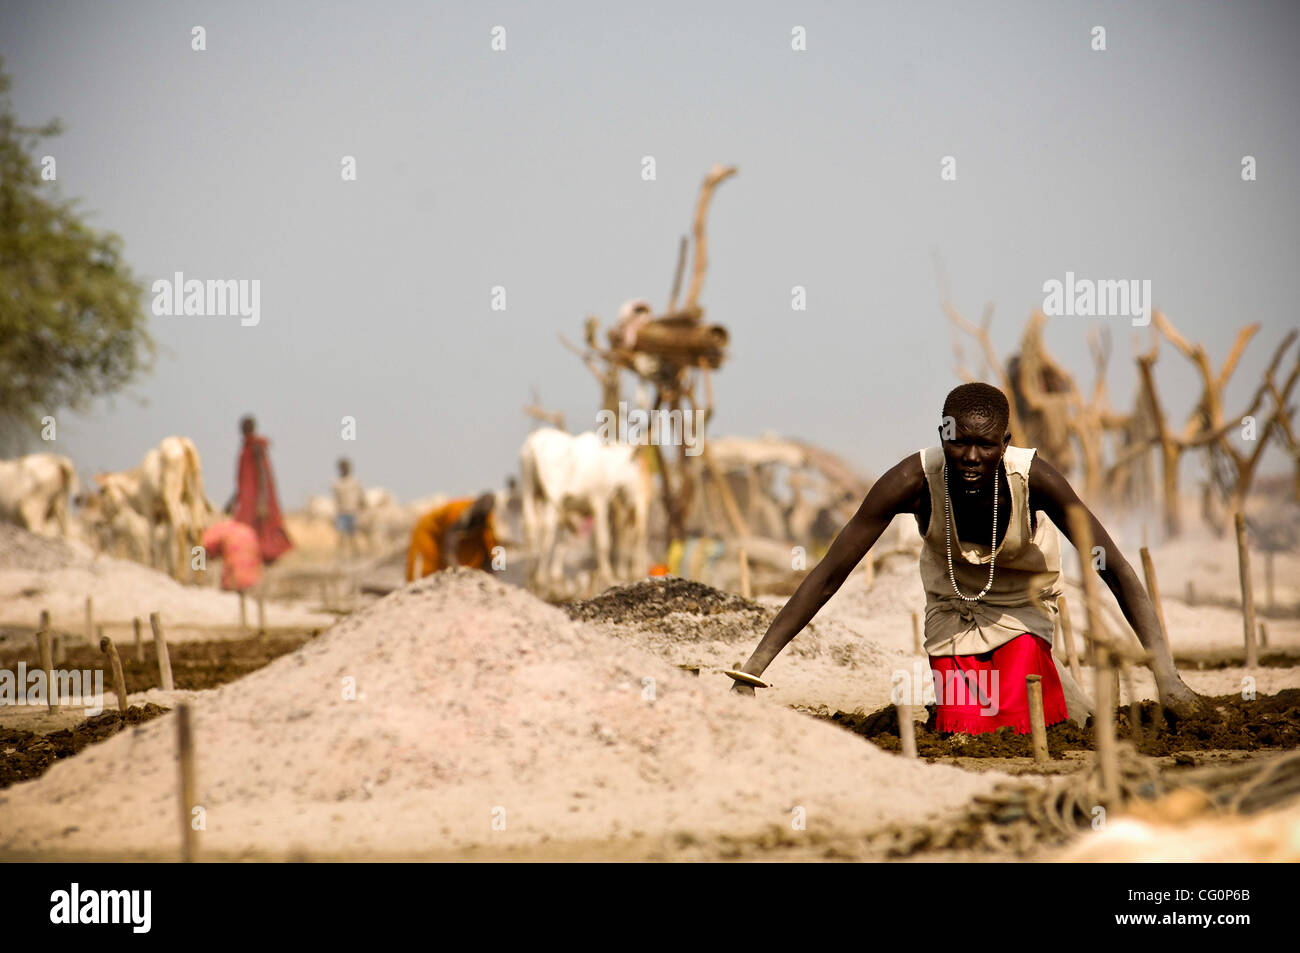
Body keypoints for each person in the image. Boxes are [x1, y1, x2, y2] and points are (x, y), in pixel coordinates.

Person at [730, 382, 1212, 729]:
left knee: (1021, 726)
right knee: (963, 730)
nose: (972, 457)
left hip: (1023, 612)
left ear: (1005, 442)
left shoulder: (1035, 480)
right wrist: (752, 670)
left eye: (986, 444)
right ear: (943, 434)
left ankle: (1052, 681)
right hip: (951, 612)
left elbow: (1115, 570)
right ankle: (992, 696)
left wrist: (1165, 676)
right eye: (960, 441)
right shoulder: (911, 482)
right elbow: (830, 574)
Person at [228, 415, 292, 564]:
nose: (244, 429)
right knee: (245, 530)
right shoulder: (245, 446)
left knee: (262, 530)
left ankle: (267, 561)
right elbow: (244, 478)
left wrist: (262, 501)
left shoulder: (256, 446)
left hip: (257, 498)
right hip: (247, 498)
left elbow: (262, 474)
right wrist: (234, 498)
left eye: (246, 426)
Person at [406, 493, 497, 581]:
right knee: (427, 569)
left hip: (447, 534)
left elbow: (492, 548)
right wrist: (455, 568)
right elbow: (450, 543)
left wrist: (493, 573)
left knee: (472, 555)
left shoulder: (487, 520)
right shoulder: (458, 511)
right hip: (429, 532)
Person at [201, 507, 263, 592]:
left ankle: (197, 582)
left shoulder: (221, 528)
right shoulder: (248, 530)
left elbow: (204, 544)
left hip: (234, 577)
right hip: (253, 579)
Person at [333, 457, 363, 562]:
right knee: (341, 538)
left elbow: (361, 497)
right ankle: (341, 558)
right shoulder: (337, 483)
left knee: (353, 537)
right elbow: (335, 499)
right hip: (341, 513)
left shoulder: (355, 482)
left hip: (353, 512)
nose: (344, 469)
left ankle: (357, 557)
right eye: (343, 467)